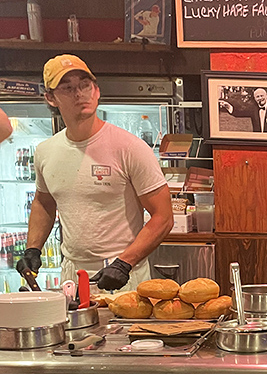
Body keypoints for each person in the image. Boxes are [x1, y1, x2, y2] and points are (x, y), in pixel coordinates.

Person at [15, 54, 173, 292]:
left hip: (123, 275)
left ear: (96, 91)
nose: (79, 94)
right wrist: (33, 249)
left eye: (84, 85)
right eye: (67, 88)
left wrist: (124, 263)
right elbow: (44, 202)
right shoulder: (46, 152)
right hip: (72, 273)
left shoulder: (129, 147)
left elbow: (163, 217)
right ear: (51, 98)